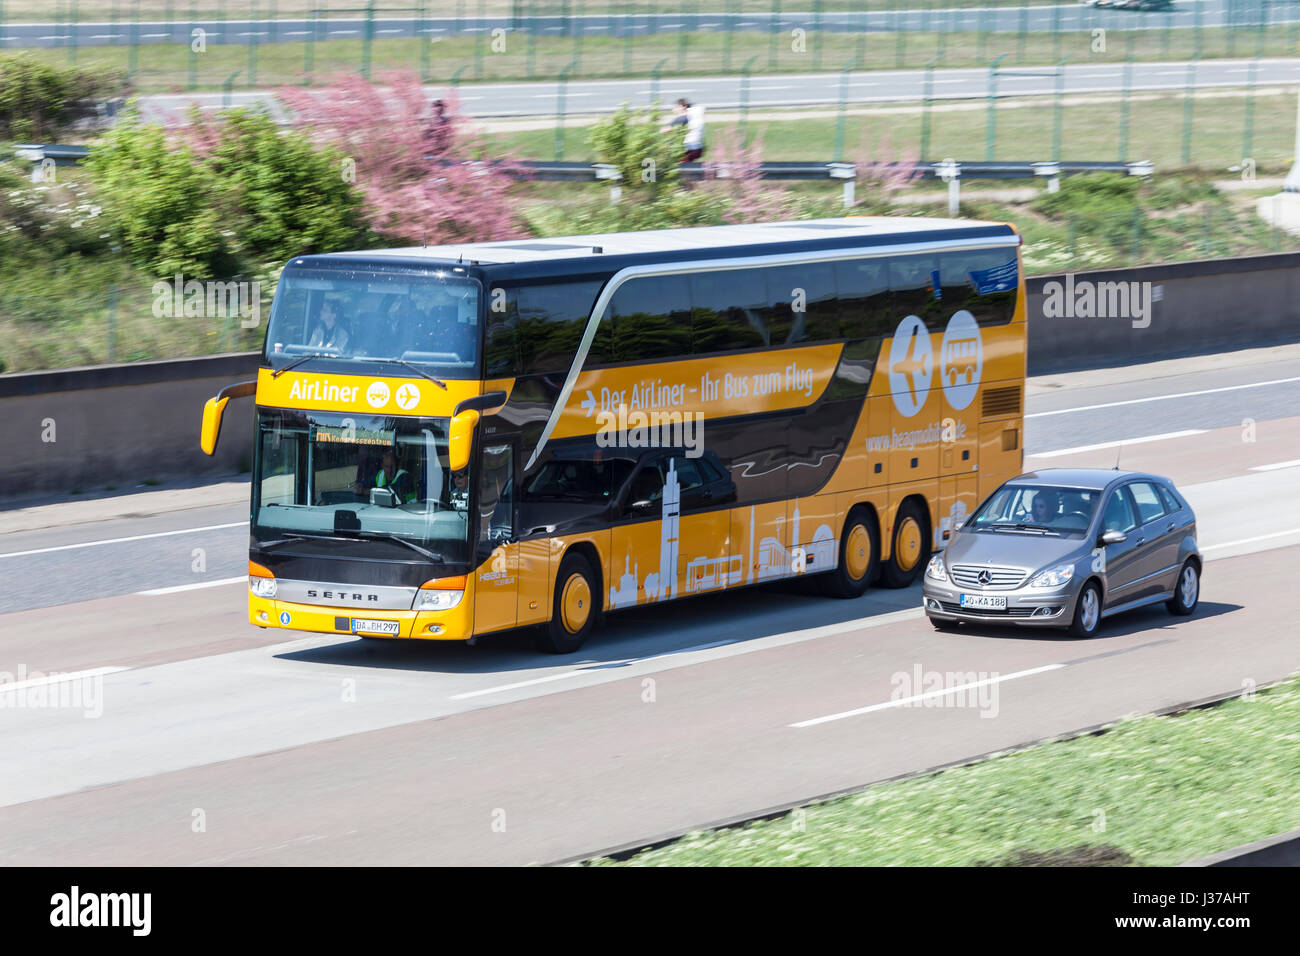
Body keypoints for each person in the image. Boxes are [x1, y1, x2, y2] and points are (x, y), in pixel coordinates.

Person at [661, 98, 705, 162]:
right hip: (698, 148)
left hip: (689, 149)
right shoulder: (693, 116)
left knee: (675, 166)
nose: (673, 109)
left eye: (676, 107)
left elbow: (663, 130)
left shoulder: (682, 118)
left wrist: (667, 129)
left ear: (684, 107)